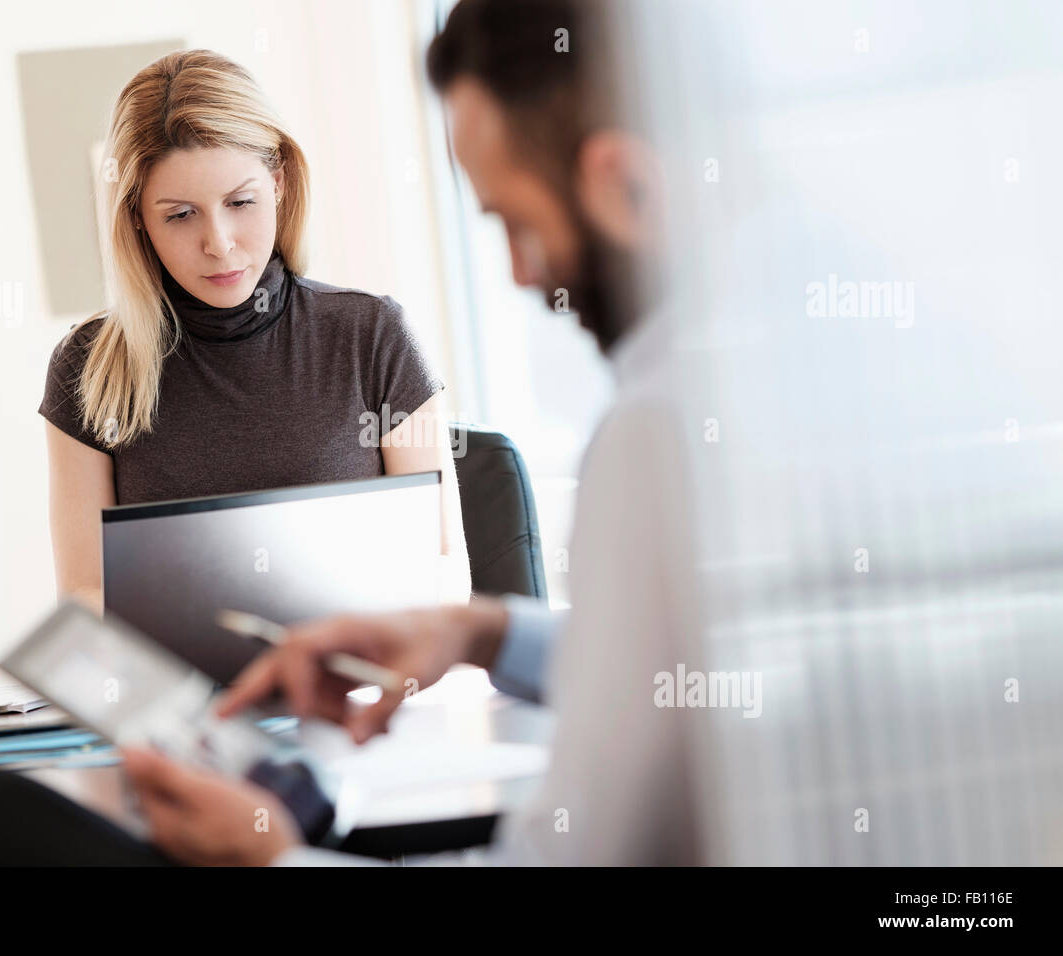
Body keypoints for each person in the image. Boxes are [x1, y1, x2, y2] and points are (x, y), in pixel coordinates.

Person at [118, 0, 704, 866]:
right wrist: (482, 634)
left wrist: (278, 862)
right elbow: (670, 667)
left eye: (514, 218)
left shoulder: (655, 437)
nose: (515, 272)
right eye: (179, 215)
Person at [40, 49, 469, 615]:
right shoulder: (87, 366)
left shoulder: (372, 336)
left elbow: (442, 566)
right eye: (180, 215)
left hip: (350, 685)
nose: (219, 242)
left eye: (240, 202)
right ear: (137, 218)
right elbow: (85, 598)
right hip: (184, 698)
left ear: (279, 183)